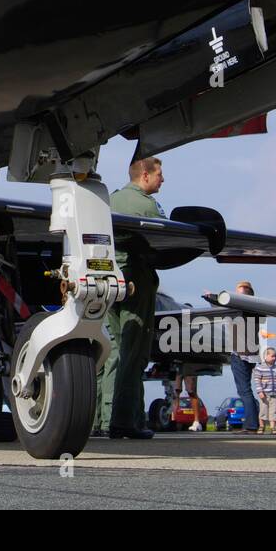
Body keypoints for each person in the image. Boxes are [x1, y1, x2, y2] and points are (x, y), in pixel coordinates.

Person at [96, 155, 166, 440]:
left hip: (109, 282)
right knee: (134, 354)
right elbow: (166, 242)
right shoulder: (147, 205)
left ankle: (102, 419)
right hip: (137, 280)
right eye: (160, 174)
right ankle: (126, 421)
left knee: (112, 351)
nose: (163, 179)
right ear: (145, 175)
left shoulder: (109, 200)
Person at [228, 281, 262, 434]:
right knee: (247, 390)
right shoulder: (257, 309)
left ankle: (252, 426)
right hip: (252, 354)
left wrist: (211, 297)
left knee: (244, 391)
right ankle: (254, 423)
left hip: (241, 354)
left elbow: (219, 308)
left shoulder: (239, 310)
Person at [251, 347, 276, 433]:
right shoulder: (260, 368)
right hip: (264, 394)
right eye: (272, 356)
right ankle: (262, 426)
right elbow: (257, 380)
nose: (274, 358)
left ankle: (273, 428)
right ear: (265, 357)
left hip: (274, 394)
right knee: (263, 411)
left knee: (274, 411)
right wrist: (260, 391)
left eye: (275, 356)